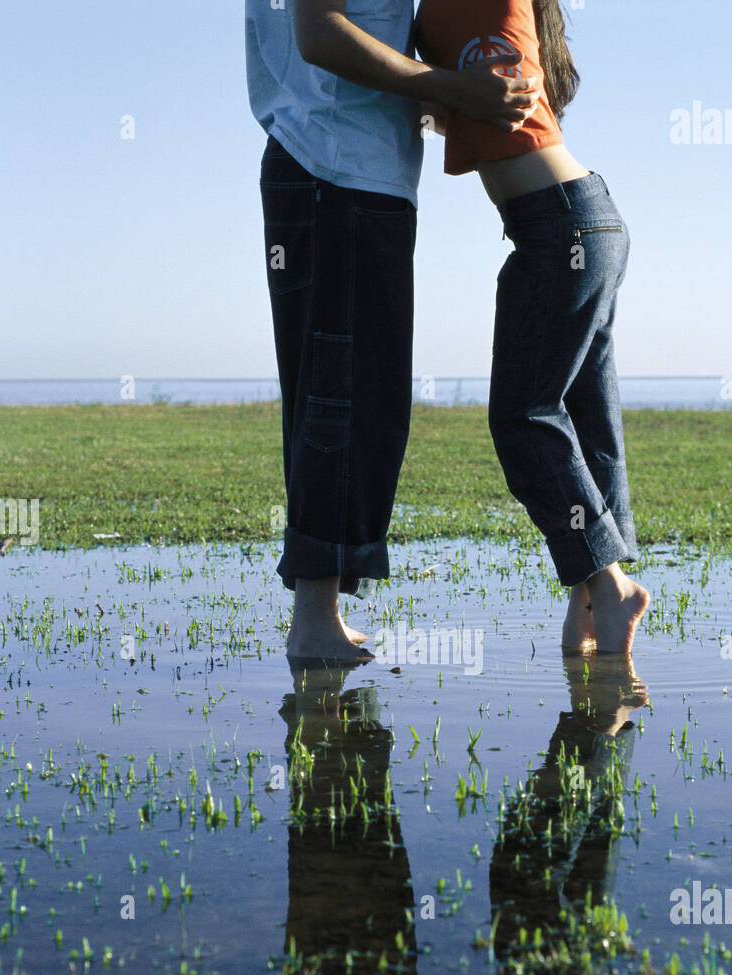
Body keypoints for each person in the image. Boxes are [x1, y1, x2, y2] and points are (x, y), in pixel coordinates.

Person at [245, 0, 543, 662]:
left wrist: (437, 98)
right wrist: (447, 86)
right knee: (337, 397)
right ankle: (312, 620)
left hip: (357, 170)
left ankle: (319, 609)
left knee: (363, 398)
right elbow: (319, 35)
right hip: (332, 166)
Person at [415, 0, 650, 654]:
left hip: (560, 226)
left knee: (523, 415)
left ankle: (609, 588)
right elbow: (438, 106)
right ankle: (595, 602)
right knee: (581, 412)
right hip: (582, 216)